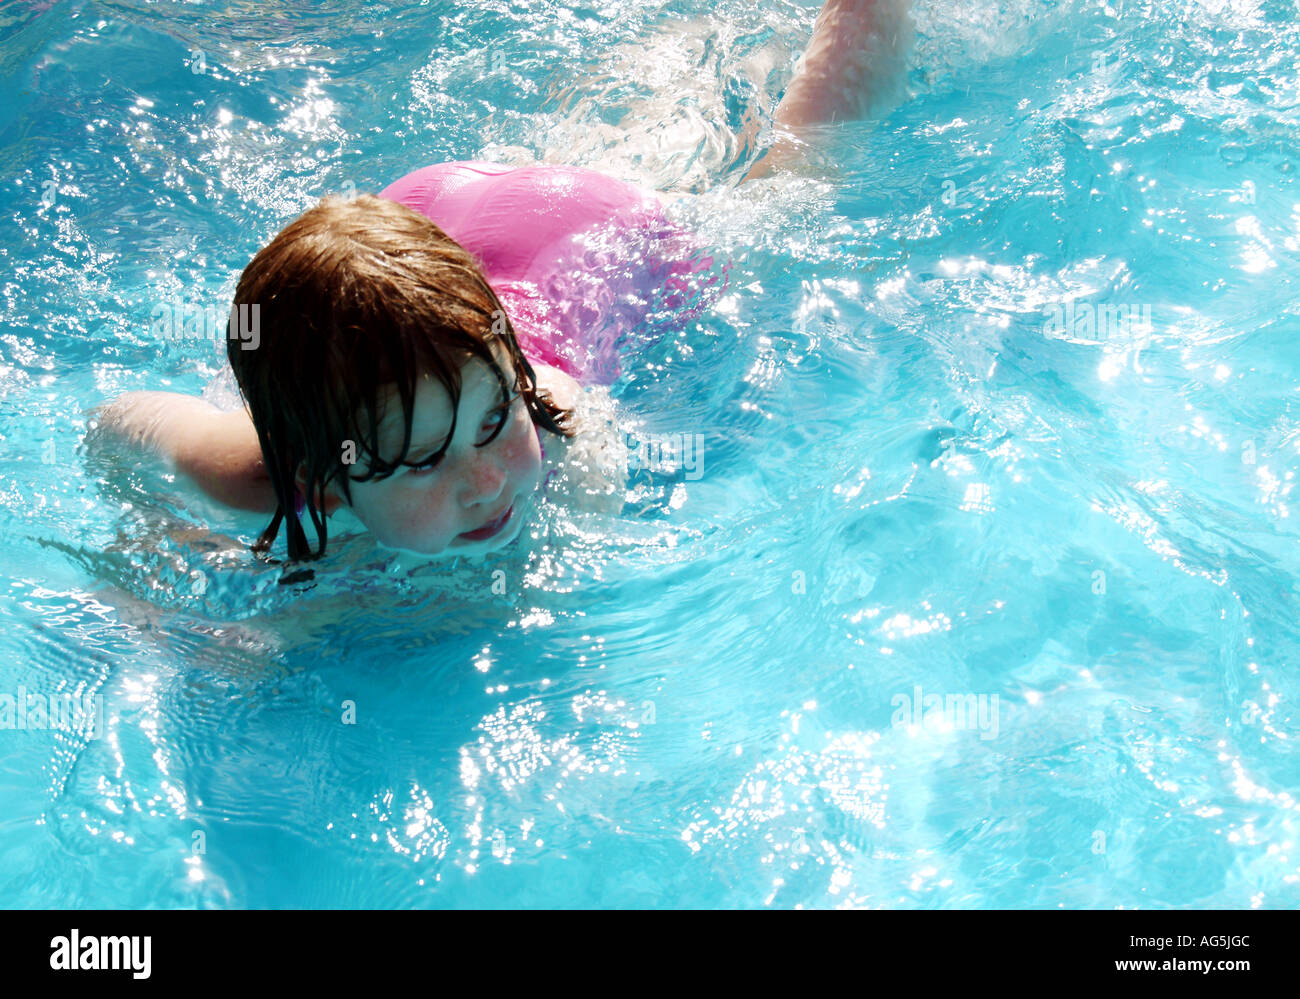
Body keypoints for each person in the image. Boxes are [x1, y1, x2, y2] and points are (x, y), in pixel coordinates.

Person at [89, 0, 909, 569]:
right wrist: (159, 540)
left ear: (518, 385)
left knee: (788, 186)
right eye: (421, 461)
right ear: (319, 480)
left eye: (493, 419)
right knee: (617, 136)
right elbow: (117, 422)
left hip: (588, 238)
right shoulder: (256, 474)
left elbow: (517, 607)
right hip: (422, 220)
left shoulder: (565, 442)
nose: (486, 482)